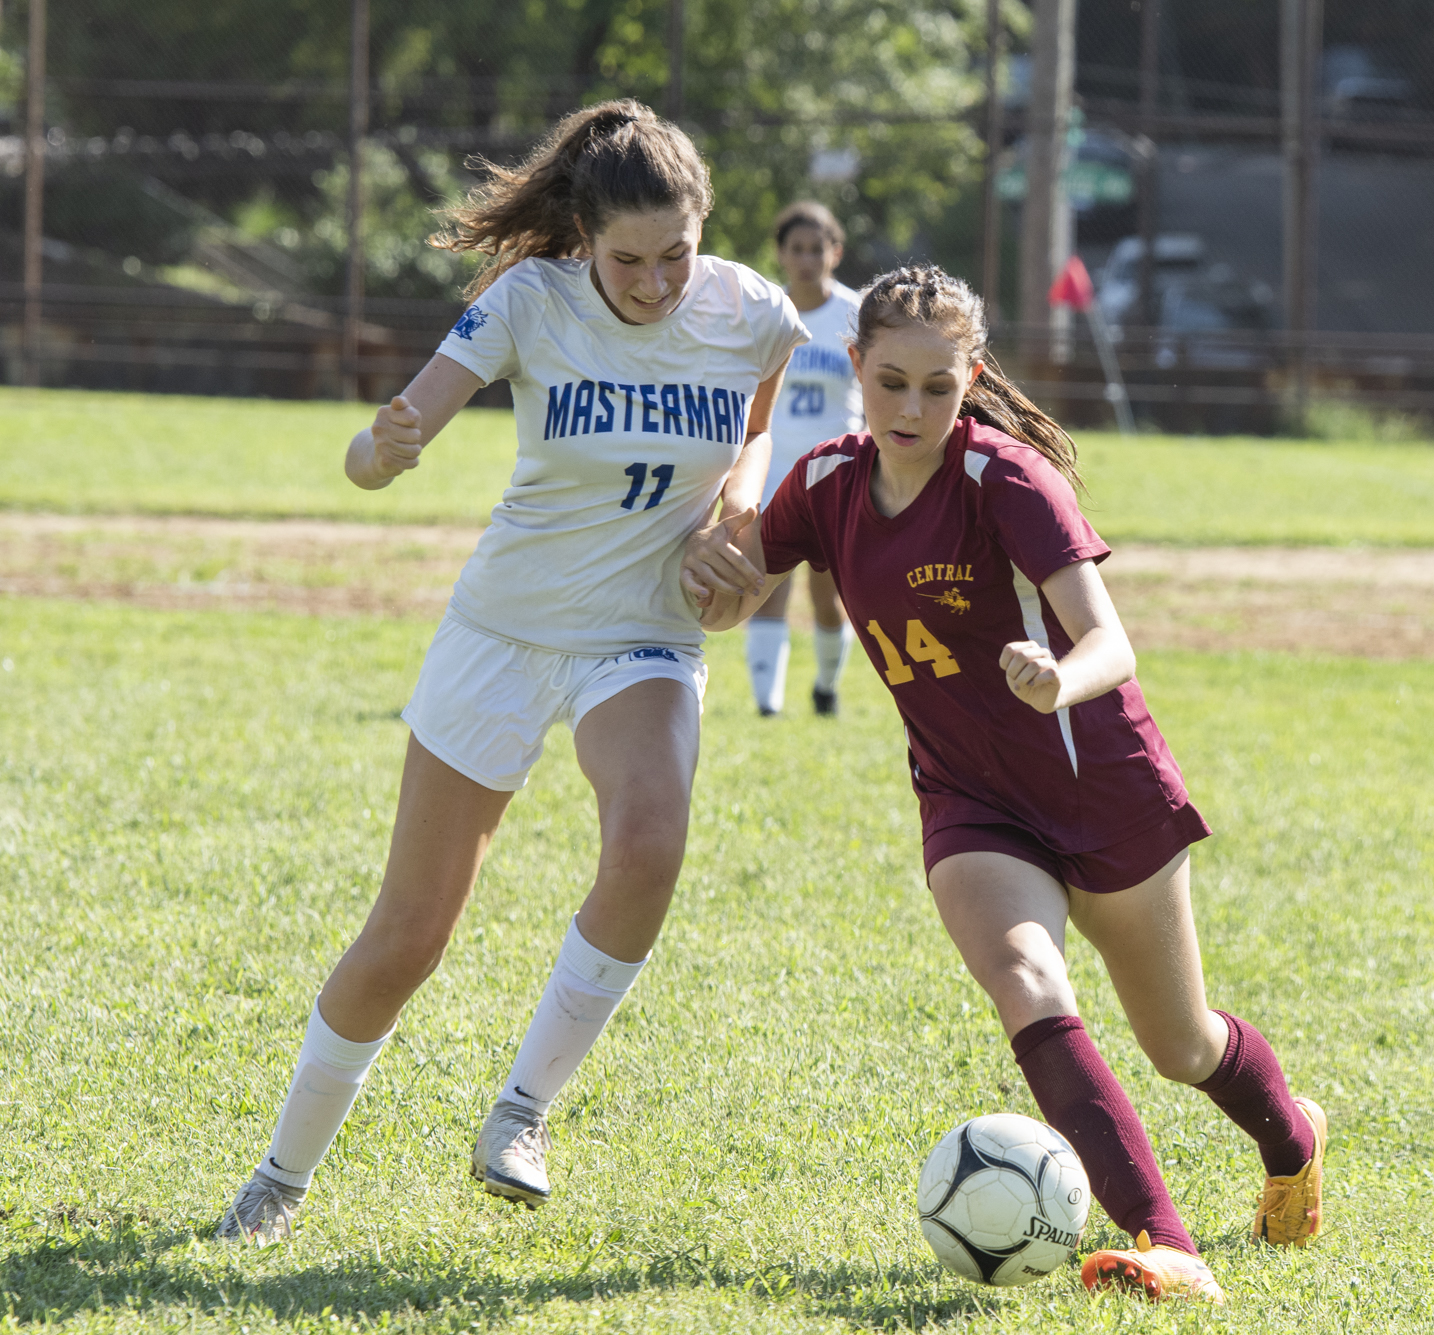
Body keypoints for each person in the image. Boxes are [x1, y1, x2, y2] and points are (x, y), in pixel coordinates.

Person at [213, 99, 808, 1242]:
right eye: (627, 261)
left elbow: (757, 428)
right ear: (582, 237)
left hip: (642, 634)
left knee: (649, 843)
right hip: (501, 632)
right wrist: (377, 450)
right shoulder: (528, 300)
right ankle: (279, 1180)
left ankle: (521, 1114)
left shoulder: (754, 313)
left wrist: (737, 506)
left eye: (675, 254)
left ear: (705, 225)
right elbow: (376, 451)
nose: (653, 283)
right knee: (411, 934)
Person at [685, 265, 1324, 1305]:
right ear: (853, 366)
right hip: (971, 804)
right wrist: (708, 575)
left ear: (969, 377)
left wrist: (1055, 677)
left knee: (1180, 1044)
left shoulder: (1008, 481)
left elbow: (1110, 642)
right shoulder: (827, 484)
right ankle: (1169, 1247)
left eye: (937, 387)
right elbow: (737, 589)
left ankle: (1293, 1139)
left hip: (1099, 787)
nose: (910, 408)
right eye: (889, 381)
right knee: (1028, 982)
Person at [744, 201, 863, 717]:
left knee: (826, 599)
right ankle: (767, 706)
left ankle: (827, 688)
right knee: (766, 588)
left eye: (818, 248)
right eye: (798, 248)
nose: (808, 258)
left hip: (835, 476)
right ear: (781, 254)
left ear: (835, 253)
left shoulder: (856, 314)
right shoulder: (768, 312)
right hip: (771, 473)